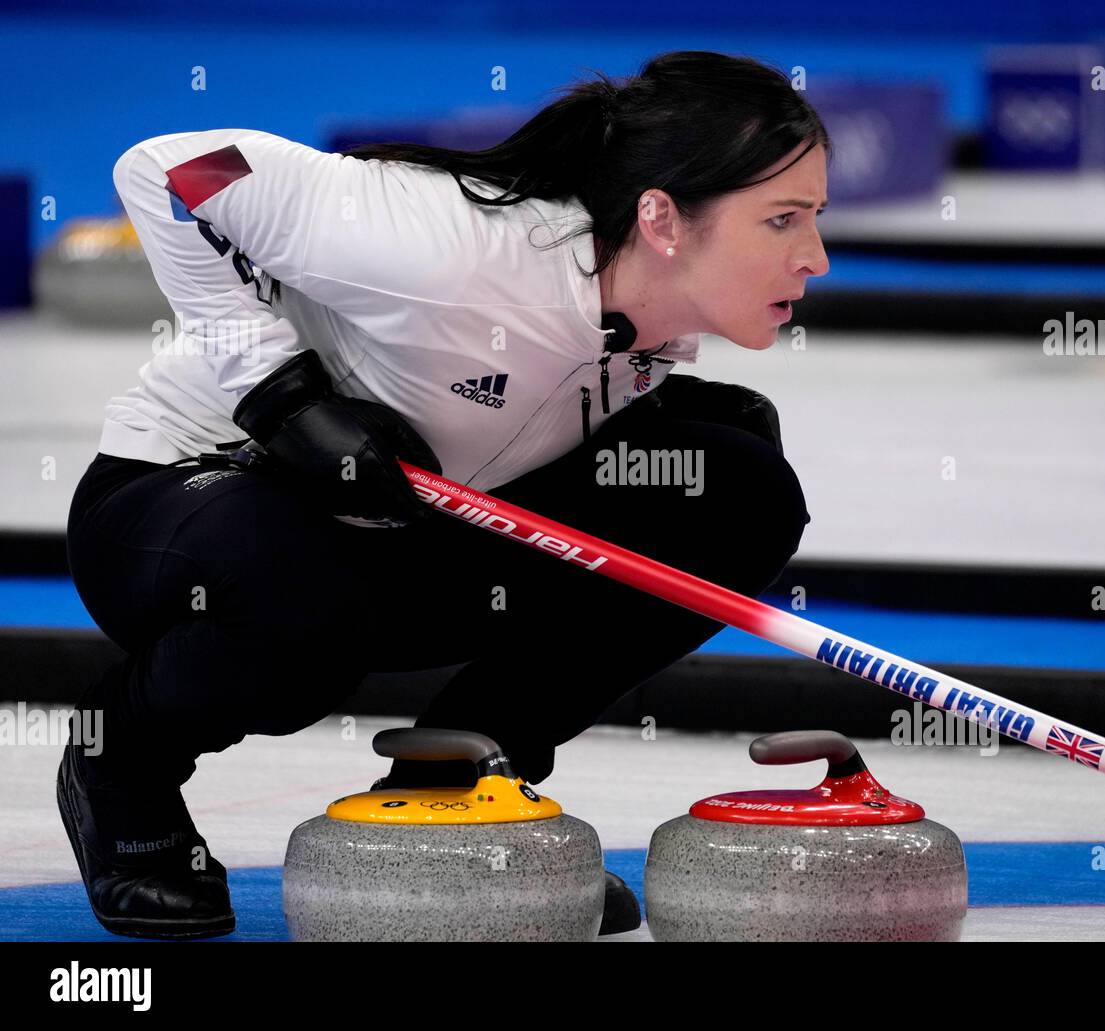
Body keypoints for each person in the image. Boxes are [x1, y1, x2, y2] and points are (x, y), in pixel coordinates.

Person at [59, 49, 830, 940]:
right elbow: (169, 168)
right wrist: (281, 394)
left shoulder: (645, 316)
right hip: (176, 506)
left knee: (737, 490)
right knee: (304, 581)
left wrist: (678, 430)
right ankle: (120, 764)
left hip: (399, 535)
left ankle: (449, 785)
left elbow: (524, 394)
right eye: (783, 220)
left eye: (813, 218)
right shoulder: (444, 249)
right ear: (660, 217)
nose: (813, 257)